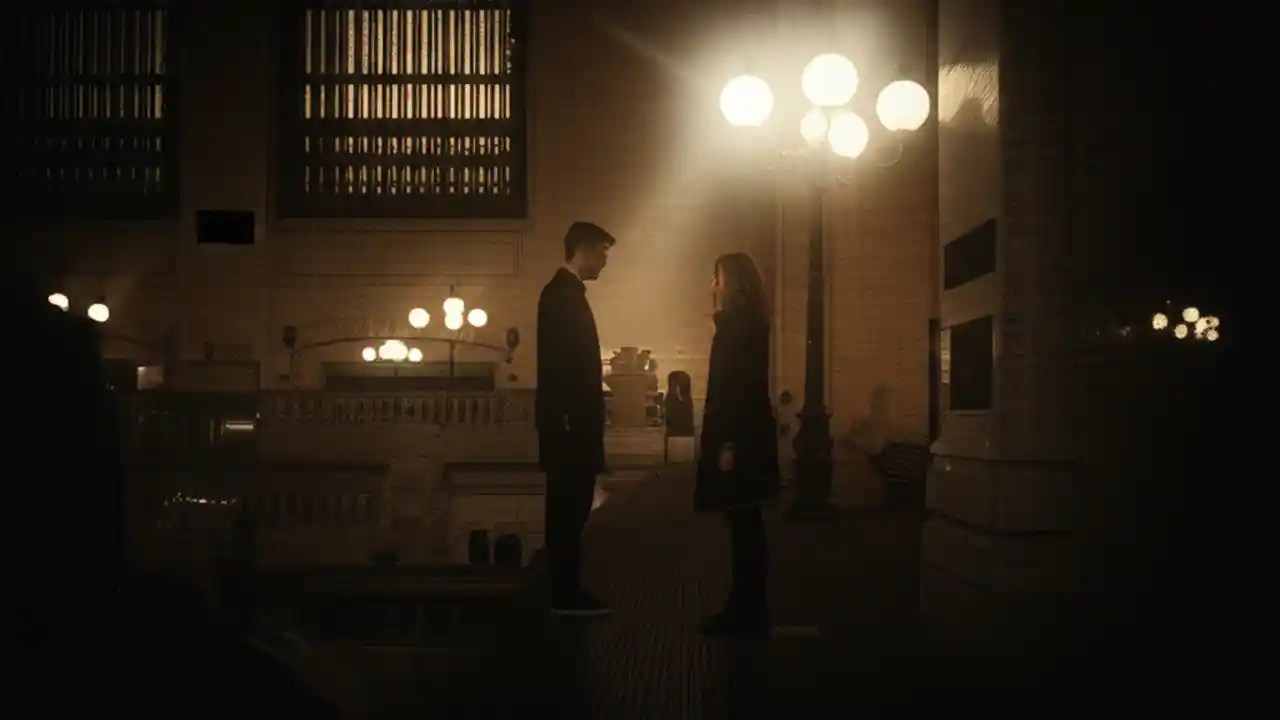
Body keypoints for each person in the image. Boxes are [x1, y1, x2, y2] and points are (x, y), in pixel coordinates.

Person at [695, 252, 780, 635]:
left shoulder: (737, 327)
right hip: (745, 434)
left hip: (738, 436)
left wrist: (727, 442)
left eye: (717, 278)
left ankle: (745, 610)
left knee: (743, 524)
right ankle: (748, 607)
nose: (713, 286)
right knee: (746, 524)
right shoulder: (747, 324)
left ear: (733, 283)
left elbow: (736, 388)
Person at [536, 221, 616, 616]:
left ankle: (565, 588)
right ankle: (566, 592)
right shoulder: (562, 296)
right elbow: (564, 367)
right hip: (570, 426)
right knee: (569, 508)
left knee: (570, 507)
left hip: (570, 424)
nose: (604, 261)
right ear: (582, 250)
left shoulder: (562, 294)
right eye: (602, 252)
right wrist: (571, 421)